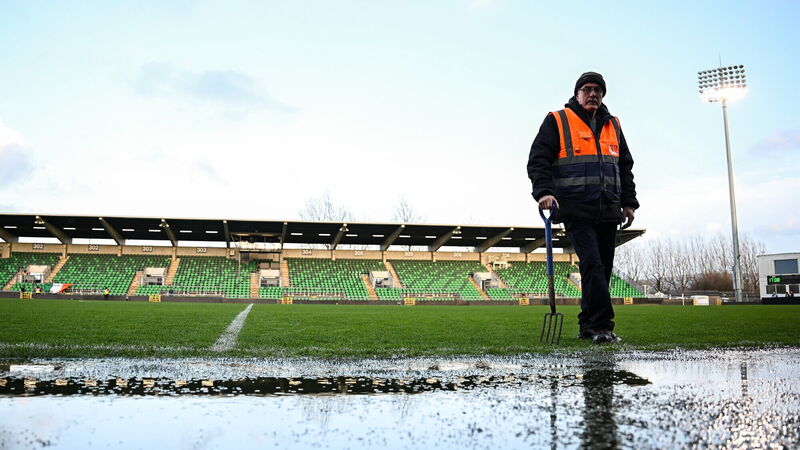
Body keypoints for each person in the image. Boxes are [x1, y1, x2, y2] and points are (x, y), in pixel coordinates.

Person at [528, 72, 639, 344]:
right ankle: (603, 325)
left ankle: (587, 325)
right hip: (576, 207)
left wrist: (628, 202)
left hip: (609, 208)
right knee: (591, 264)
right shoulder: (557, 120)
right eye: (587, 89)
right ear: (577, 94)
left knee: (602, 269)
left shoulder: (613, 124)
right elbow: (537, 160)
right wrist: (543, 192)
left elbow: (624, 166)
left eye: (598, 90)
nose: (593, 94)